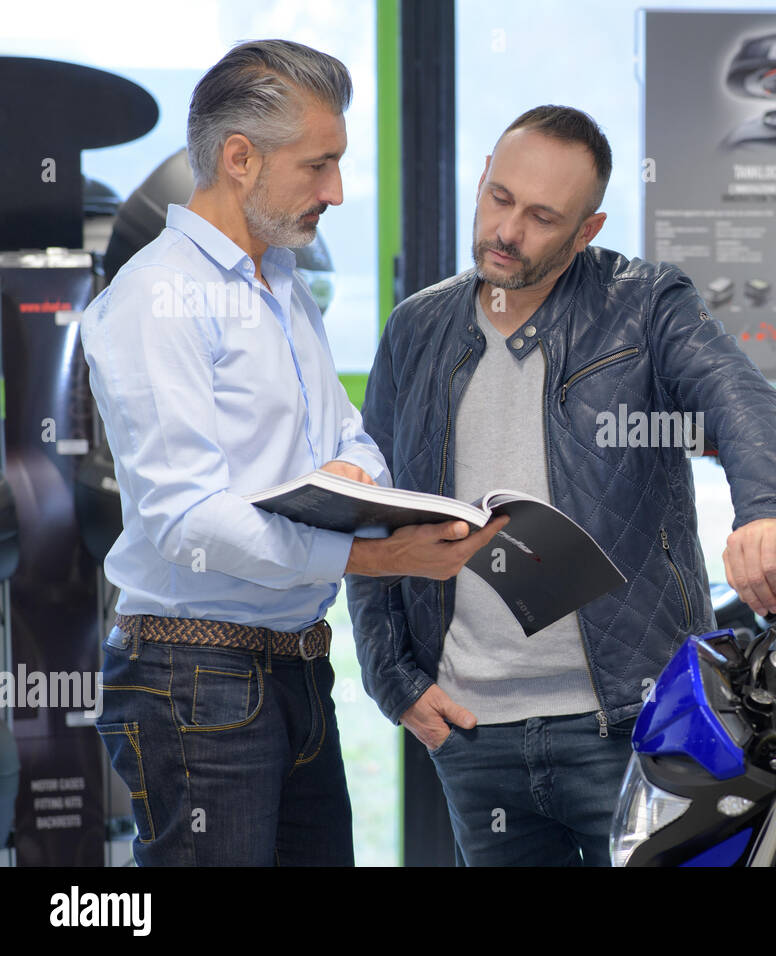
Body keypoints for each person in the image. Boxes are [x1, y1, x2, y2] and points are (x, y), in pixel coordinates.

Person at [82, 39, 503, 866]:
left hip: (298, 667)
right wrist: (375, 557)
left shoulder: (283, 282)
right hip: (193, 676)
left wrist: (353, 479)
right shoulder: (157, 299)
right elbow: (187, 521)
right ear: (240, 159)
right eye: (319, 165)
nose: (336, 192)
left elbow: (352, 438)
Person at [347, 105, 776, 866]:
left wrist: (766, 512)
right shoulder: (416, 329)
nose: (506, 231)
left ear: (586, 230)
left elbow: (743, 400)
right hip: (473, 731)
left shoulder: (645, 304)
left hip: (630, 721)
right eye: (499, 197)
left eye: (541, 217)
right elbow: (374, 509)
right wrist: (393, 681)